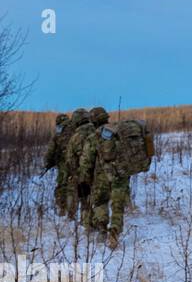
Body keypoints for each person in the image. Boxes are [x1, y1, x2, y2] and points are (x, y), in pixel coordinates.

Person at [86, 117, 155, 248]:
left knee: (100, 201)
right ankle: (114, 233)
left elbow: (87, 158)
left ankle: (102, 230)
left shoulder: (97, 134)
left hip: (103, 174)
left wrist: (86, 176)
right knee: (118, 205)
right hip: (121, 171)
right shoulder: (121, 130)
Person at [67, 106, 110, 228]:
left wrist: (77, 175)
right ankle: (100, 225)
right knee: (100, 200)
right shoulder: (99, 131)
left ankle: (88, 226)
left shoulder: (74, 138)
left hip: (84, 174)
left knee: (85, 200)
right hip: (102, 172)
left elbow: (70, 160)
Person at [42, 108, 88, 218]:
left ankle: (63, 210)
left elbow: (50, 151)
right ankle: (83, 211)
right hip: (78, 162)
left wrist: (48, 163)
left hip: (64, 164)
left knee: (62, 187)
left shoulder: (59, 132)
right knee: (80, 187)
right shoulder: (78, 128)